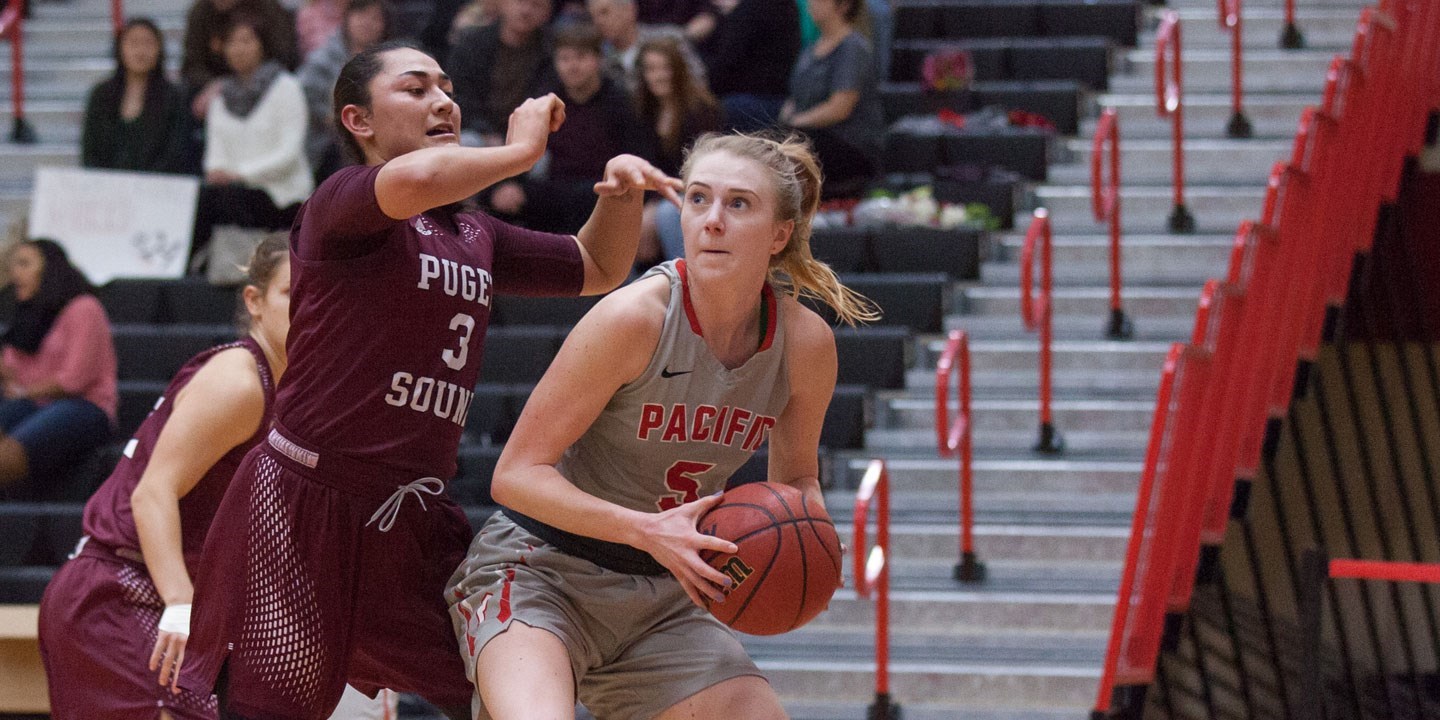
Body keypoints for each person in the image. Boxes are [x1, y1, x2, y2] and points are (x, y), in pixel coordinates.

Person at [175, 39, 678, 719]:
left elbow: (595, 265)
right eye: (415, 89)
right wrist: (520, 154)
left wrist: (619, 193)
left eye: (446, 86)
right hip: (302, 507)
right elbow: (413, 181)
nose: (443, 99)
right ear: (359, 121)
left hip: (411, 519)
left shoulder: (473, 231)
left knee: (498, 685)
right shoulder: (341, 201)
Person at [448, 131, 877, 719]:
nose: (712, 221)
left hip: (663, 599)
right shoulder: (636, 317)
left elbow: (797, 479)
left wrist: (814, 542)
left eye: (739, 204)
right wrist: (643, 529)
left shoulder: (805, 343)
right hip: (540, 572)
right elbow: (515, 475)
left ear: (780, 234)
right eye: (698, 200)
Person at [36, 236, 396, 720]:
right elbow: (153, 494)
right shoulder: (240, 382)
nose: (312, 306)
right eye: (294, 293)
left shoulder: (306, 397)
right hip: (119, 589)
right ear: (255, 302)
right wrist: (181, 602)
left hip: (178, 598)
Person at [488, 23, 654, 234]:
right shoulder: (546, 101)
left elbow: (639, 158)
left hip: (601, 194)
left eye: (580, 57)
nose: (572, 66)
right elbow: (516, 147)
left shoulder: (621, 103)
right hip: (552, 193)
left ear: (598, 60)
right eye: (565, 59)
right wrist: (507, 185)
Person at [191, 14, 313, 268]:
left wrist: (240, 175)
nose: (239, 48)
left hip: (283, 195)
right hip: (238, 194)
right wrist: (221, 173)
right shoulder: (220, 97)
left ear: (262, 44)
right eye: (232, 42)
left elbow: (289, 153)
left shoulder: (287, 87)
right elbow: (215, 155)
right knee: (204, 196)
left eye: (246, 40)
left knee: (235, 198)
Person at [0, 239, 116, 496]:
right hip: (35, 403)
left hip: (85, 406)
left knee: (8, 453)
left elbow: (75, 380)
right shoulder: (28, 313)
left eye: (24, 264)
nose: (15, 273)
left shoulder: (84, 308)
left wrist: (21, 391)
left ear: (50, 268)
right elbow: (11, 370)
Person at [780, 0, 883, 199]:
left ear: (843, 6)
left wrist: (793, 125)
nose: (811, 4)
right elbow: (794, 96)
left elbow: (839, 107)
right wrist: (784, 122)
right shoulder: (811, 47)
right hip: (808, 132)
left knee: (793, 145)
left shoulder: (853, 48)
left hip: (847, 142)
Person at [633, 35, 719, 263]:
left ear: (678, 70)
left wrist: (656, 202)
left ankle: (683, 281)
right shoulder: (643, 111)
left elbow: (704, 170)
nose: (658, 76)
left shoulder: (701, 110)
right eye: (651, 69)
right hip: (656, 193)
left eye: (665, 68)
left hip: (696, 192)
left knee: (667, 214)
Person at [82, 17, 198, 175]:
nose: (141, 51)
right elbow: (90, 151)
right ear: (120, 48)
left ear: (159, 49)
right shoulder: (101, 95)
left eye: (148, 43)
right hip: (107, 187)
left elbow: (177, 152)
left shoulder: (174, 97)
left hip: (158, 186)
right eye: (133, 43)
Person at [298, 0, 392, 181]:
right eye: (360, 15)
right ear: (346, 19)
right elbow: (306, 96)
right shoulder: (322, 59)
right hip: (329, 141)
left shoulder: (393, 61)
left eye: (375, 18)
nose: (367, 23)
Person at [447, 0, 558, 146]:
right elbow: (458, 95)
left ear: (547, 13)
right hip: (476, 130)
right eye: (520, 2)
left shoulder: (550, 51)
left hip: (525, 134)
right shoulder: (472, 44)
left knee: (541, 159)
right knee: (469, 142)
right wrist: (485, 131)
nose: (526, 11)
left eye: (536, 4)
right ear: (503, 3)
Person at [697, 0, 800, 132]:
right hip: (769, 95)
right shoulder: (783, 6)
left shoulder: (754, 8)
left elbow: (727, 61)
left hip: (754, 100)